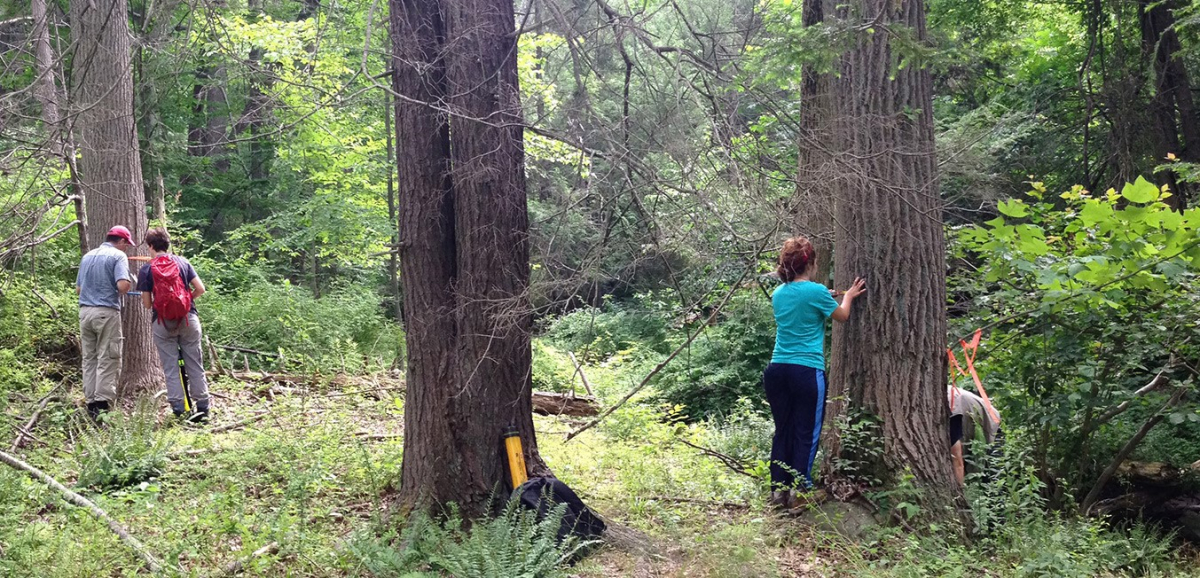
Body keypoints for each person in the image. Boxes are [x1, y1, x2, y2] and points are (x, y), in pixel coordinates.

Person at [763, 236, 866, 509]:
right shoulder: (817, 291)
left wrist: (825, 297)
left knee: (783, 429)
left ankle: (778, 491)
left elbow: (802, 309)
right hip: (807, 371)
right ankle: (800, 489)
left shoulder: (779, 294)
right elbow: (842, 316)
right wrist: (849, 297)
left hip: (777, 370)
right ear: (811, 264)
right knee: (806, 431)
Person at [136, 227, 211, 422]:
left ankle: (179, 409)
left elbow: (146, 304)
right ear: (168, 244)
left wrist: (161, 306)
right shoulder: (183, 262)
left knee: (171, 367)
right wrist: (187, 299)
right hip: (188, 318)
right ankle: (202, 408)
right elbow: (201, 289)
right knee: (195, 363)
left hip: (162, 322)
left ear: (150, 246)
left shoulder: (146, 269)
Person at [77, 225, 134, 420]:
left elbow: (78, 289)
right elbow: (122, 285)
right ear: (121, 242)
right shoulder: (118, 256)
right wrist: (129, 282)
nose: (127, 248)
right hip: (106, 312)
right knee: (108, 358)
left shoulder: (87, 256)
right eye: (127, 244)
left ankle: (90, 404)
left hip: (84, 313)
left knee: (89, 358)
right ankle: (102, 409)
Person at [948, 386, 1001, 484]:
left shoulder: (951, 414)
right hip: (968, 416)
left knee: (994, 477)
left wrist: (959, 495)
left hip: (992, 425)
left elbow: (957, 460)